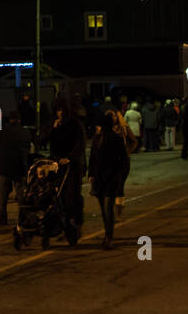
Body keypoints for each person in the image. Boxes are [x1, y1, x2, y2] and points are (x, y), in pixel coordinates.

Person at [88, 110, 130, 249]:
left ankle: (109, 237)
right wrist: (91, 174)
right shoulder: (96, 139)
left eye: (99, 126)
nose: (96, 128)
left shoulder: (115, 139)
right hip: (99, 179)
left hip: (111, 178)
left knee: (107, 208)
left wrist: (119, 175)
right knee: (103, 209)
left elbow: (123, 159)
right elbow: (92, 158)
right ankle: (107, 235)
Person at [43, 100, 86, 229]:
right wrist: (53, 129)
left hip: (71, 164)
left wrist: (69, 158)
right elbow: (41, 139)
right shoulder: (52, 123)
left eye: (62, 110)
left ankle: (73, 221)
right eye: (57, 110)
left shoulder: (75, 124)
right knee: (54, 194)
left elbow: (80, 144)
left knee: (71, 195)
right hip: (56, 163)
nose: (59, 113)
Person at [0, 113, 31, 223]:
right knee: (20, 193)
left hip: (4, 166)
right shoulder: (25, 132)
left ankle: (2, 217)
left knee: (2, 195)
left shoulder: (3, 132)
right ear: (19, 120)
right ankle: (22, 217)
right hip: (20, 166)